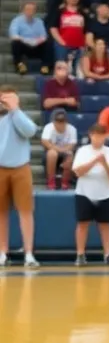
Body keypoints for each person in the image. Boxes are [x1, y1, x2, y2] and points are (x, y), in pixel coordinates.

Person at [0, 87, 39, 268]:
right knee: (1, 213)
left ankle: (29, 254)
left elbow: (30, 131)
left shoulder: (19, 117)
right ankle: (2, 252)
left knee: (25, 211)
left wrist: (14, 110)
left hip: (21, 167)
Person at [72, 124, 109, 266]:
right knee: (82, 224)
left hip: (104, 192)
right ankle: (80, 254)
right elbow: (78, 172)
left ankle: (107, 255)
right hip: (84, 192)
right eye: (95, 135)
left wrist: (104, 163)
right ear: (90, 135)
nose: (98, 138)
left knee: (105, 225)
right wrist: (94, 161)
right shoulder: (82, 151)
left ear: (105, 136)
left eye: (101, 135)